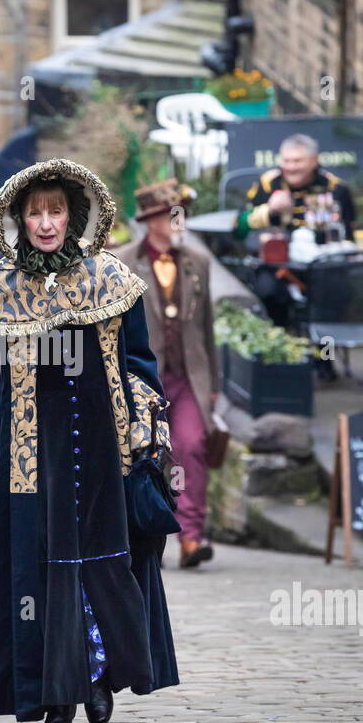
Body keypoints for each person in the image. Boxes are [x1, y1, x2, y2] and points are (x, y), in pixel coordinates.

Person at [0, 159, 179, 723]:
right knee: (43, 563)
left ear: (73, 214)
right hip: (33, 453)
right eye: (35, 212)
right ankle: (56, 696)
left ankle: (101, 681)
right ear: (19, 218)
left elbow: (140, 363)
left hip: (105, 443)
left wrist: (145, 424)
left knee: (106, 556)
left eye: (55, 210)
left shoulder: (112, 280)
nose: (46, 222)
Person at [114, 178, 221, 569]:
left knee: (190, 447)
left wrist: (215, 388)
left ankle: (192, 537)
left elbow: (207, 329)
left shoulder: (200, 263)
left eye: (182, 214)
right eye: (171, 214)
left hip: (190, 377)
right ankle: (148, 533)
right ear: (151, 221)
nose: (179, 221)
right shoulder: (122, 263)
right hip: (143, 378)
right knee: (146, 455)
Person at [234, 134, 356, 325]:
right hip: (277, 267)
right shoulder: (268, 184)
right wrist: (269, 210)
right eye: (286, 161)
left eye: (297, 161)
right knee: (268, 290)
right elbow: (239, 229)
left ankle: (324, 350)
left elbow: (349, 237)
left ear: (314, 160)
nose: (290, 167)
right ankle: (281, 347)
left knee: (337, 292)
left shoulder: (335, 188)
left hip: (321, 267)